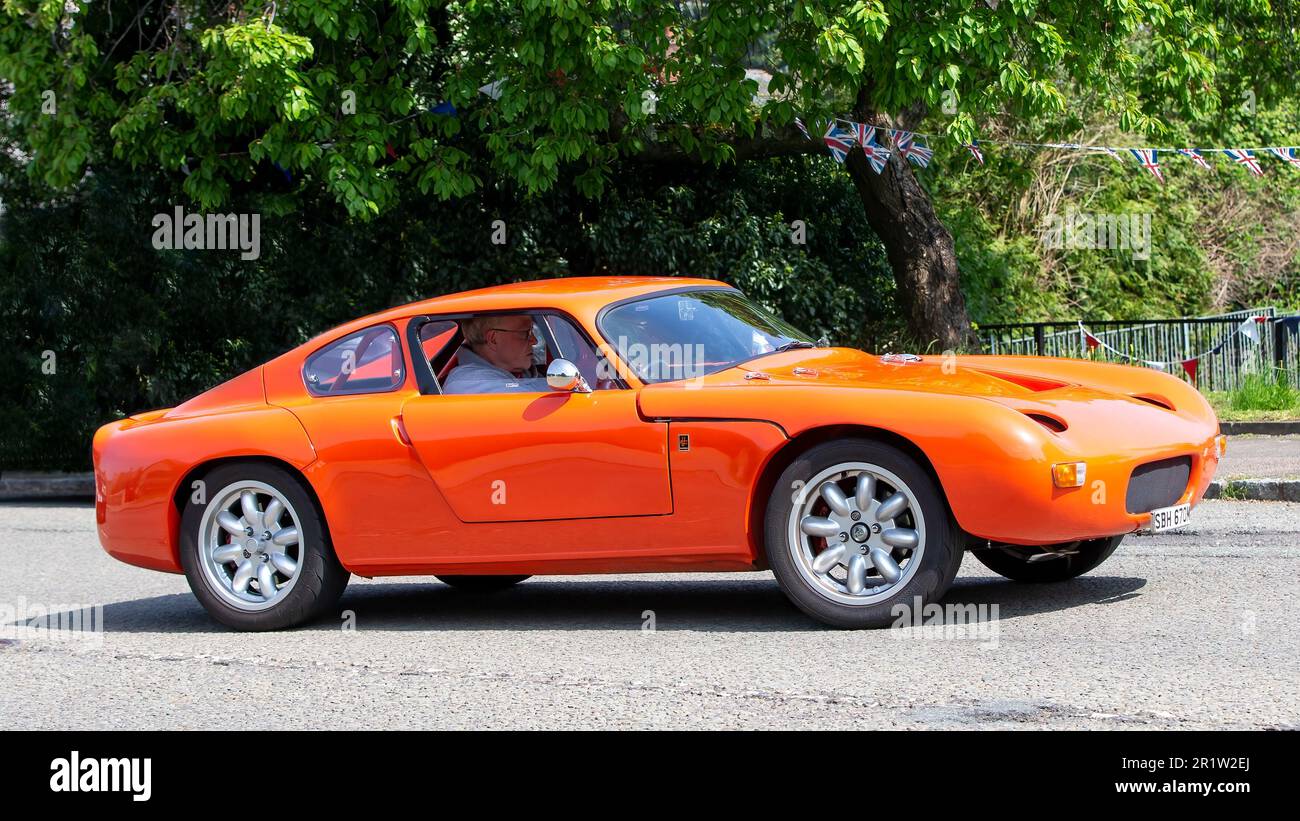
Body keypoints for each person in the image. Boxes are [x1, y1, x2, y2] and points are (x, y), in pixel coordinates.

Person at [441, 314, 551, 394]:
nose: (534, 341)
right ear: (493, 339)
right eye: (525, 333)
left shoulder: (516, 370)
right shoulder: (469, 383)